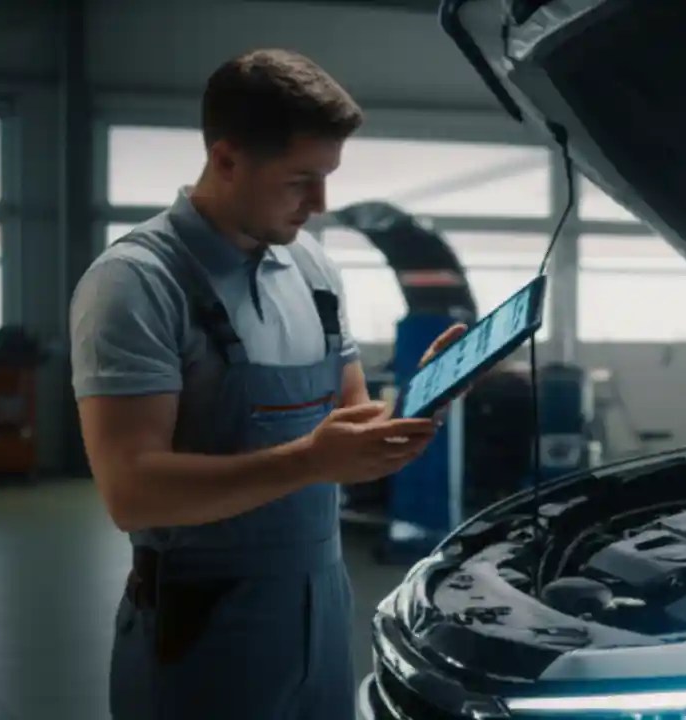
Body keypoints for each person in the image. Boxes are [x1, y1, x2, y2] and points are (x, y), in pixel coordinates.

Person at [69, 48, 465, 719]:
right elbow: (131, 493)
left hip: (322, 608)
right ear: (225, 160)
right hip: (200, 626)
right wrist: (311, 460)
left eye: (327, 178)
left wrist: (416, 411)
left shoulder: (310, 266)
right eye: (300, 180)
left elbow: (353, 421)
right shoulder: (137, 284)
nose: (319, 204)